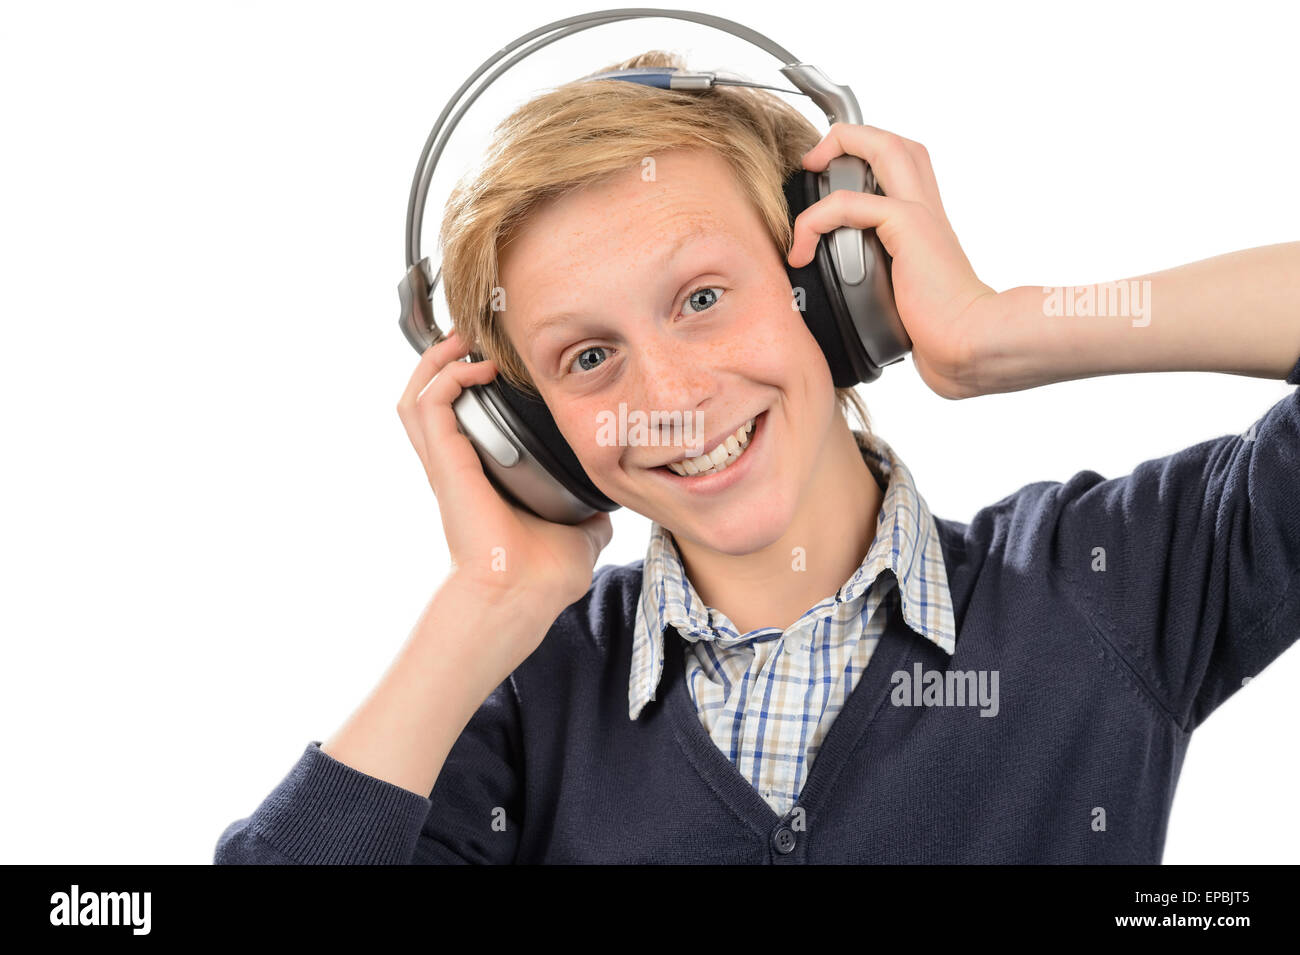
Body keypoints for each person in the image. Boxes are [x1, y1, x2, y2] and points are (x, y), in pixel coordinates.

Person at [214, 51, 1300, 864]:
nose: (669, 400)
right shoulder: (518, 709)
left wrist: (1001, 329)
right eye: (588, 356)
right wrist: (486, 603)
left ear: (837, 290)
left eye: (700, 298)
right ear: (527, 429)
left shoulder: (1102, 586)